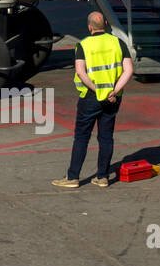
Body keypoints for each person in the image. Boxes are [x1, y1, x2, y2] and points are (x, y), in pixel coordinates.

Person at [53, 12, 133, 189]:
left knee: (81, 137)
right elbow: (128, 70)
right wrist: (114, 91)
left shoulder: (83, 44)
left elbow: (81, 72)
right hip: (113, 98)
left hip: (90, 97)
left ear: (89, 27)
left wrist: (98, 90)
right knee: (106, 137)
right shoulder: (118, 43)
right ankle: (102, 177)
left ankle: (73, 177)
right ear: (105, 23)